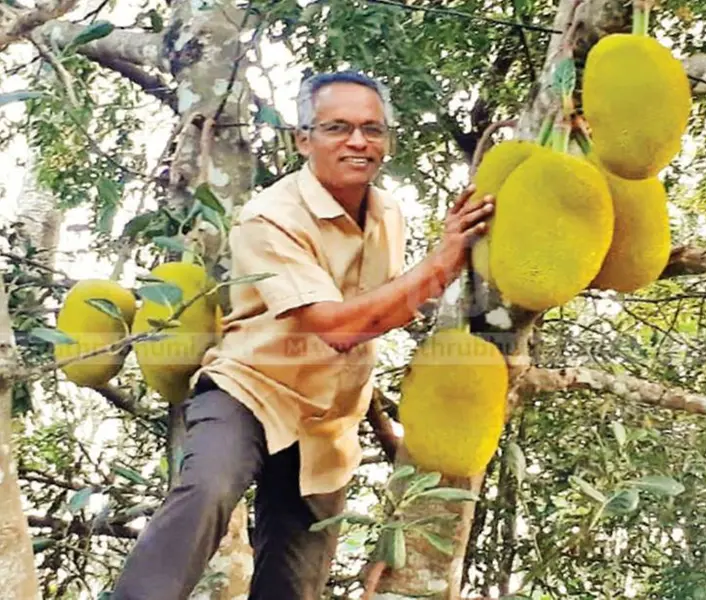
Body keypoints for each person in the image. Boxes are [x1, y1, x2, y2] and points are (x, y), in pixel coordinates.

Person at [111, 71, 495, 600]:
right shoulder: (270, 217)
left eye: (372, 130)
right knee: (207, 489)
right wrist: (442, 262)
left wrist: (451, 267)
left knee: (294, 585)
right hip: (250, 392)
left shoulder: (389, 214)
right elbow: (337, 326)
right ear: (302, 139)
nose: (358, 142)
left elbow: (388, 305)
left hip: (328, 423)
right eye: (338, 127)